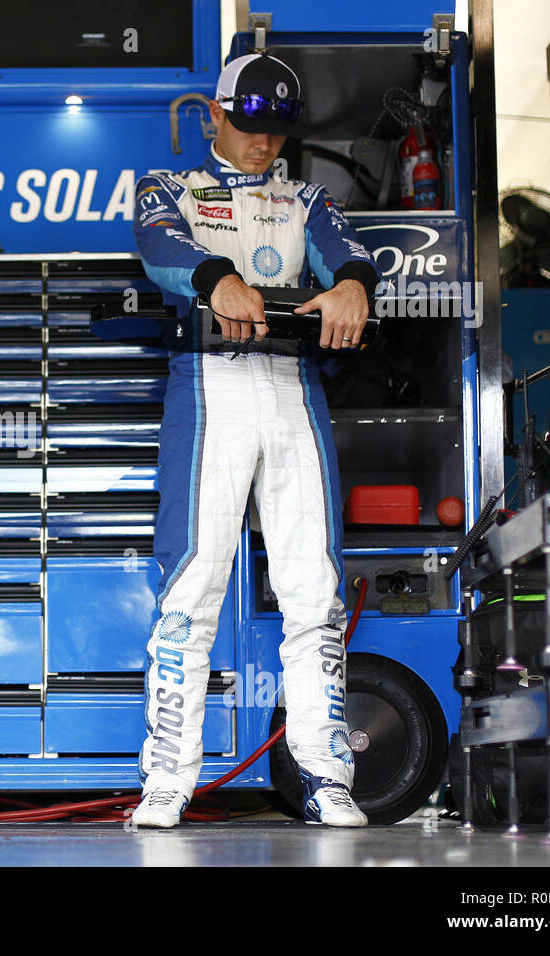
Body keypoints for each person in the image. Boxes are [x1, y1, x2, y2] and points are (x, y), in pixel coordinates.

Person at [130, 52, 381, 828]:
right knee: (192, 585)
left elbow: (351, 251)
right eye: (246, 125)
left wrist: (352, 286)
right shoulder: (166, 189)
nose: (260, 143)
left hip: (293, 387)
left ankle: (328, 778)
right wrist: (215, 278)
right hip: (209, 387)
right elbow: (157, 243)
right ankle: (167, 780)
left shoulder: (307, 197)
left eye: (275, 131)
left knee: (314, 591)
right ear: (214, 114)